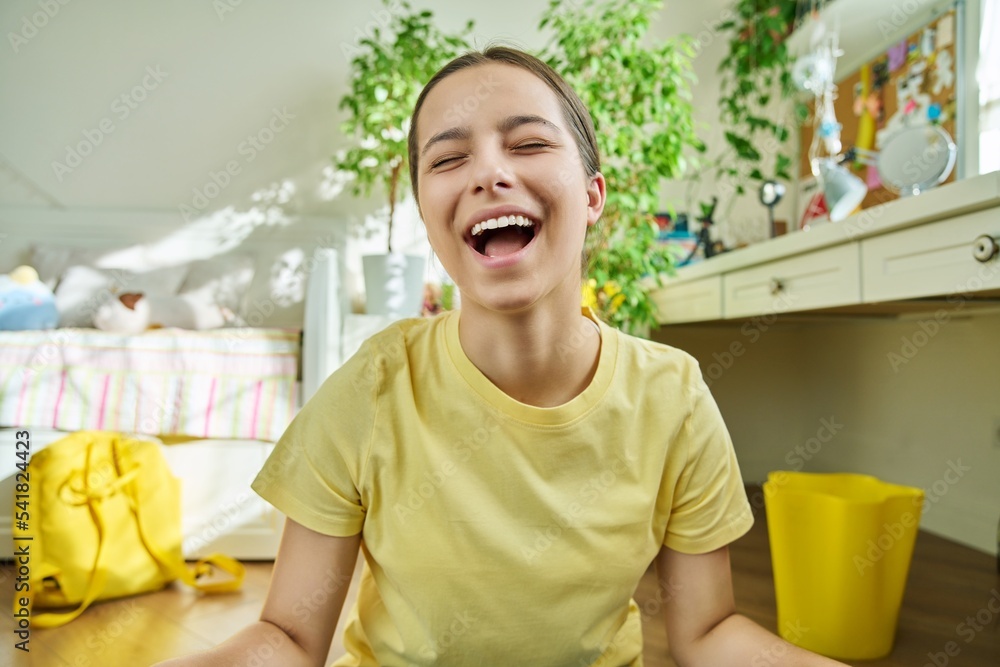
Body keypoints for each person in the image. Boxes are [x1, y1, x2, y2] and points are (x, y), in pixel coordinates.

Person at [158, 46, 850, 667]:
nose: (489, 172)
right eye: (449, 158)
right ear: (430, 217)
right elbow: (291, 635)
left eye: (526, 143)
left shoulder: (673, 395)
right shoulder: (373, 385)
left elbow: (708, 631)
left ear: (593, 195)